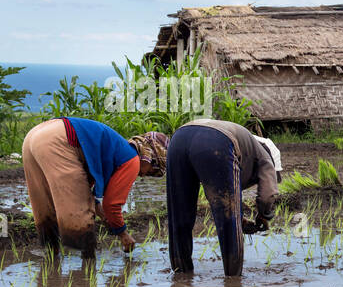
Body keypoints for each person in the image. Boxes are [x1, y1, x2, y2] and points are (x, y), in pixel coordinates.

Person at [20, 116, 166, 258]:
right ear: (149, 158)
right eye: (152, 171)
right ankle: (86, 272)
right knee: (80, 213)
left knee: (45, 206)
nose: (144, 175)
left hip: (34, 137)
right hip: (59, 139)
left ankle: (51, 260)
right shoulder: (131, 160)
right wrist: (124, 235)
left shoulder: (115, 150)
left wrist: (105, 219)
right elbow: (112, 206)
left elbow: (90, 195)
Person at [166, 118, 281, 277]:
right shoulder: (266, 156)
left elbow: (216, 183)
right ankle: (233, 284)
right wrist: (263, 216)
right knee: (229, 223)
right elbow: (268, 196)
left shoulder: (246, 144)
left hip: (178, 139)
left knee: (179, 215)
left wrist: (240, 218)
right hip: (216, 141)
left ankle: (180, 277)